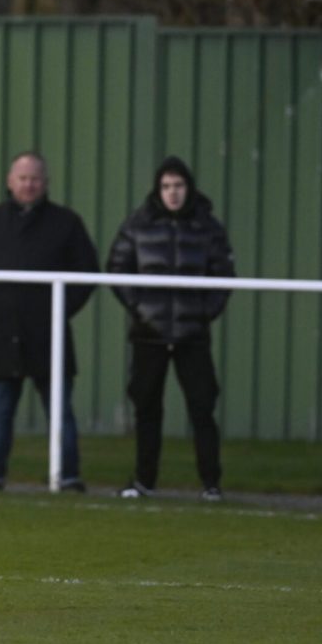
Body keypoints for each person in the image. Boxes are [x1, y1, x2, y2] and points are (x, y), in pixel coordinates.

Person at [0, 151, 100, 492]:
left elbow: (87, 273)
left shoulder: (67, 223)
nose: (29, 184)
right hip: (1, 336)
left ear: (45, 183)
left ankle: (68, 477)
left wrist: (59, 310)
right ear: (10, 181)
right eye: (22, 178)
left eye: (35, 178)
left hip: (50, 336)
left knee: (60, 412)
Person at [107, 155, 236, 501]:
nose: (173, 193)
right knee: (147, 407)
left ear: (188, 188)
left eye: (178, 185)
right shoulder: (138, 224)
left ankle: (211, 484)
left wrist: (202, 313)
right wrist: (141, 309)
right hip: (148, 335)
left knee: (202, 407)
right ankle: (144, 481)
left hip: (192, 336)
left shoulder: (207, 226)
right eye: (166, 186)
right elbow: (116, 269)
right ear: (157, 189)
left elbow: (224, 275)